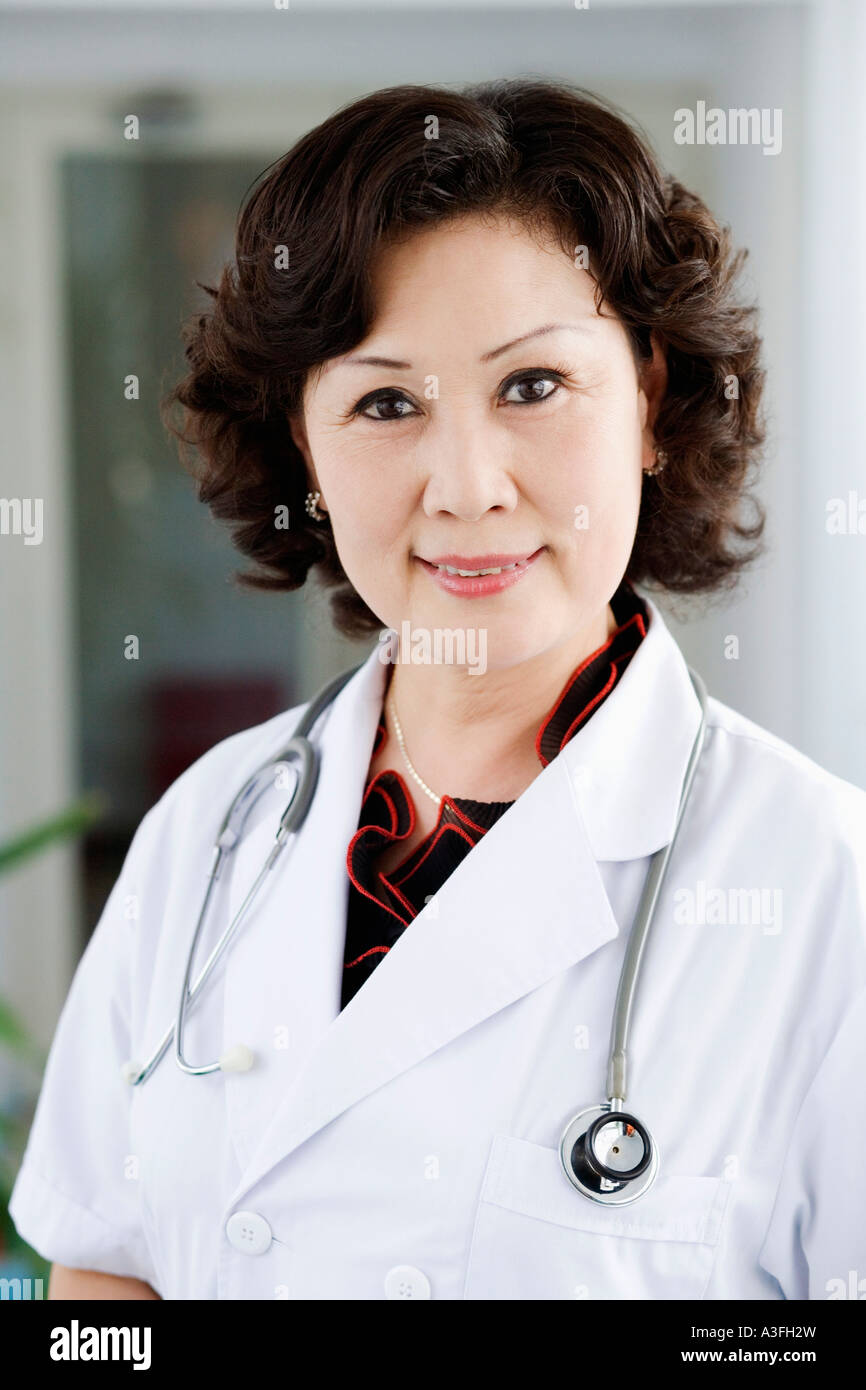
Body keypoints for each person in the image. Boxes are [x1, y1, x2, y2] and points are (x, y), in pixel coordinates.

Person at [10, 78, 866, 1301]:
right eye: (385, 402)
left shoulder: (825, 889)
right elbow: (104, 1272)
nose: (465, 486)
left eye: (531, 386)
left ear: (649, 404)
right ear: (304, 446)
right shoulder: (209, 827)